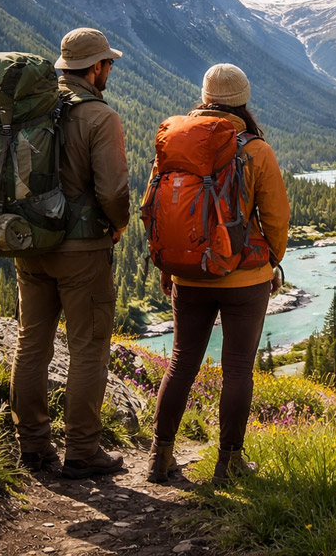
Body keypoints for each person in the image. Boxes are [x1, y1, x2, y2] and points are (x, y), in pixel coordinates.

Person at [145, 64, 290, 485]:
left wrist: (170, 263)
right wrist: (270, 261)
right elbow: (276, 217)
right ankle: (229, 465)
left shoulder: (175, 141)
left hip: (188, 273)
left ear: (204, 96)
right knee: (238, 369)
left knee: (181, 364)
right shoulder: (256, 149)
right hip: (245, 278)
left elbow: (157, 207)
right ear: (243, 100)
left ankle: (159, 458)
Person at [11, 27, 130, 479]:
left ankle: (33, 446)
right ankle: (82, 451)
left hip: (30, 243)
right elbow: (112, 191)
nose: (110, 69)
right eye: (108, 63)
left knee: (31, 343)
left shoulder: (33, 107)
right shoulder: (100, 116)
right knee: (88, 349)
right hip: (82, 251)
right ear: (95, 67)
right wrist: (118, 225)